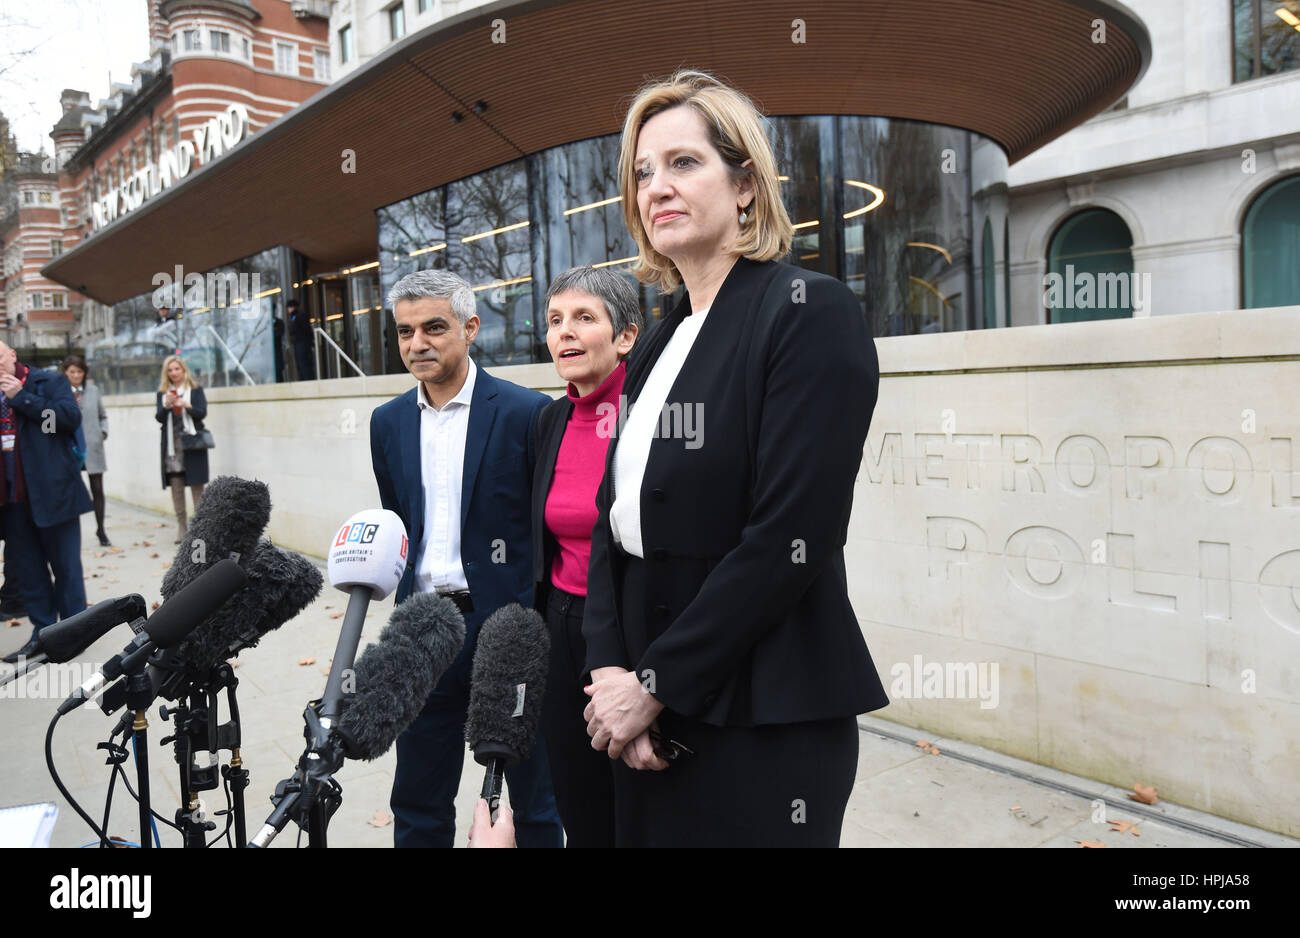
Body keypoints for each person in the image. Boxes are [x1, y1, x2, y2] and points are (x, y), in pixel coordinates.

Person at [580, 70, 890, 846]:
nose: (658, 187)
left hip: (763, 718)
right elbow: (610, 526)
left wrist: (655, 686)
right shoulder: (657, 339)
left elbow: (791, 534)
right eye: (643, 173)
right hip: (643, 716)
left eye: (684, 163)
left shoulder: (808, 315)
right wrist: (613, 676)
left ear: (746, 184)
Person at [369, 268, 562, 848]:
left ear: (470, 328)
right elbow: (400, 520)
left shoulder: (529, 412)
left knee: (532, 801)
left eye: (433, 328)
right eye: (404, 333)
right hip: (423, 629)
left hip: (507, 629)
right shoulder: (387, 422)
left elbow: (546, 527)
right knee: (418, 798)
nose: (417, 344)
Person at [530, 266, 644, 846]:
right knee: (580, 803)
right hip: (560, 627)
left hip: (630, 633)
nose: (564, 334)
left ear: (625, 335)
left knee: (640, 803)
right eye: (554, 321)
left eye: (583, 318)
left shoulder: (651, 415)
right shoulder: (549, 419)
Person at [0, 341, 92, 664]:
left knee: (65, 567)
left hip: (54, 494)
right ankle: (41, 634)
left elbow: (67, 419)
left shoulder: (48, 382)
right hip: (11, 501)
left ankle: (73, 632)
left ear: (12, 355)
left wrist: (21, 398)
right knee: (30, 572)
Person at [155, 356, 209, 544]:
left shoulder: (195, 390)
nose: (174, 373)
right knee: (177, 487)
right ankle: (182, 527)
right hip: (173, 446)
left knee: (197, 487)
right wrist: (167, 405)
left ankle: (200, 528)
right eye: (170, 370)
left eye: (177, 369)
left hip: (192, 444)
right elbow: (159, 418)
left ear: (184, 370)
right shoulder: (163, 393)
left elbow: (202, 413)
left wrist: (188, 406)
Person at [61, 355, 111, 547]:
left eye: (79, 371)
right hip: (69, 448)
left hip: (92, 445)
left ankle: (101, 530)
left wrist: (103, 432)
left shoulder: (93, 390)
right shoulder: (60, 391)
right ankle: (70, 534)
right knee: (70, 490)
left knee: (97, 488)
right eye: (72, 371)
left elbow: (102, 415)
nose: (76, 375)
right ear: (65, 372)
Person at [288, 299, 315, 380]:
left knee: (304, 364)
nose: (288, 310)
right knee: (300, 364)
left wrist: (310, 341)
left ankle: (307, 380)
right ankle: (303, 379)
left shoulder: (300, 316)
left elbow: (306, 329)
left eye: (289, 307)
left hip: (302, 343)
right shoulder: (294, 317)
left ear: (293, 307)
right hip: (298, 343)